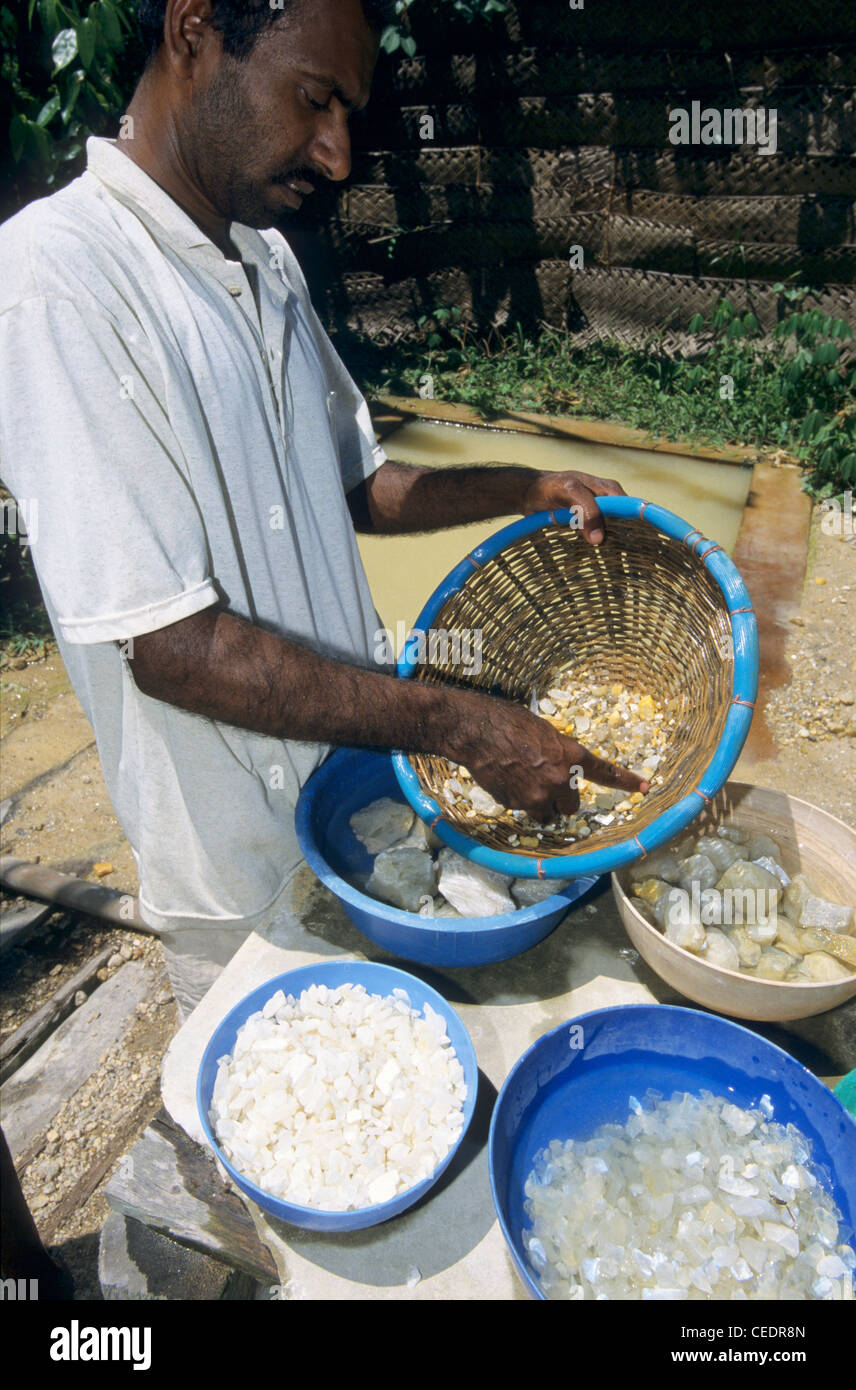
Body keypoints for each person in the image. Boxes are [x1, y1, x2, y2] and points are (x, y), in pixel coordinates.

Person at [0, 0, 645, 1017]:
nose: (338, 155)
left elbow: (353, 483)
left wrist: (523, 488)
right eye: (315, 100)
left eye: (347, 110)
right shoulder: (58, 278)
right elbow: (168, 644)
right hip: (239, 872)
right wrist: (452, 721)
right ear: (192, 32)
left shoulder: (267, 260)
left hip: (357, 796)